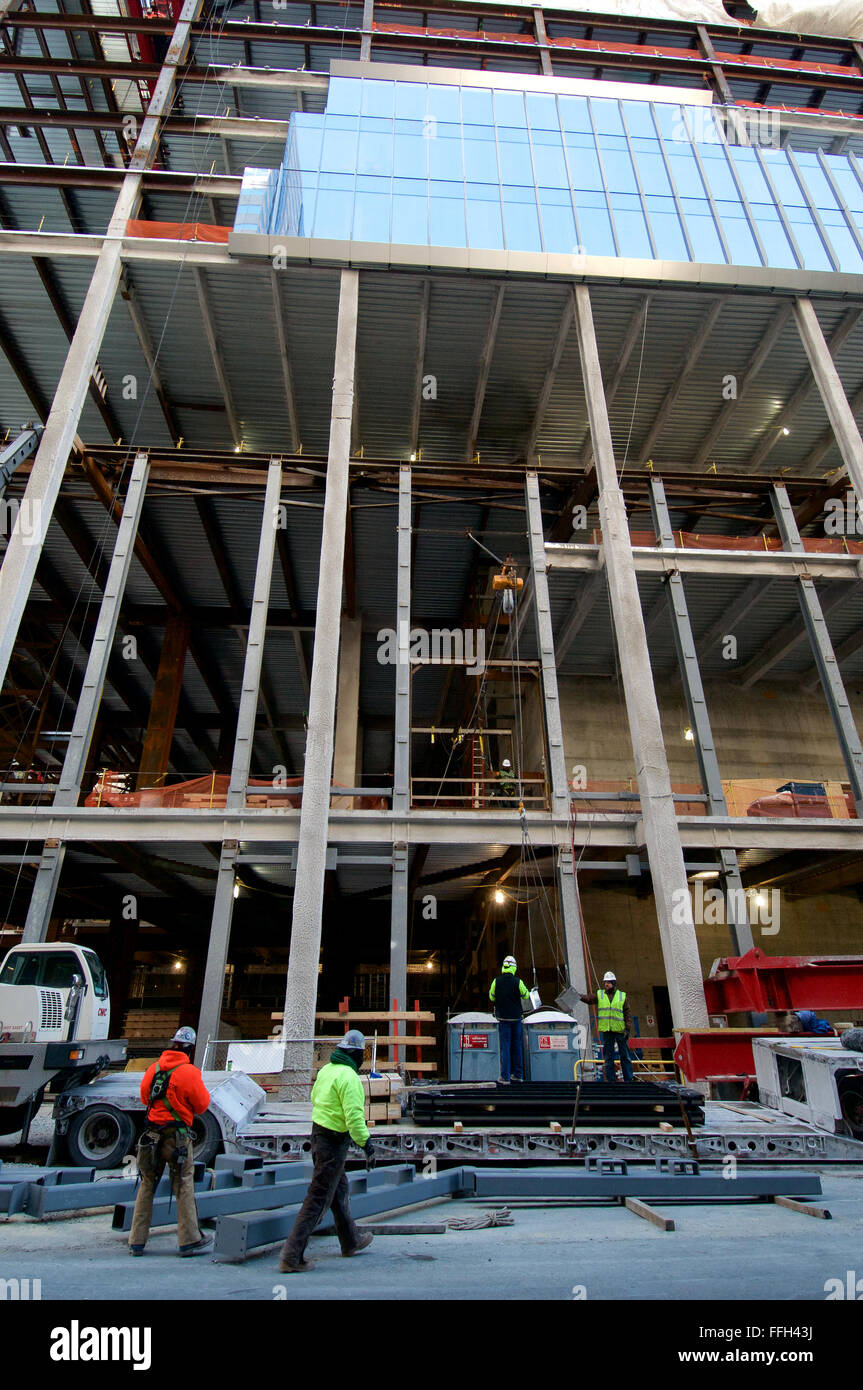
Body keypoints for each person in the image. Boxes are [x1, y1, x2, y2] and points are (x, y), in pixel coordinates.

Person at [279, 1029, 375, 1273]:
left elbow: (314, 1098)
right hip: (334, 1142)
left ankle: (350, 1240)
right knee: (318, 1198)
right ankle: (291, 1256)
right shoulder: (350, 1078)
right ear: (356, 1053)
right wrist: (366, 1144)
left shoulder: (326, 1071)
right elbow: (354, 1118)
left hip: (318, 1135)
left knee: (338, 1190)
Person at [128, 1025, 213, 1257]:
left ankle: (136, 1241)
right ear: (189, 1049)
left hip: (151, 1137)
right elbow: (202, 1105)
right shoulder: (189, 1072)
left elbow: (145, 1097)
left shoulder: (153, 1069)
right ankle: (189, 1239)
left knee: (147, 1183)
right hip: (177, 1139)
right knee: (184, 1184)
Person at [579, 971, 634, 1084]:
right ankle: (611, 1080)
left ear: (613, 983)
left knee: (625, 1056)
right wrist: (578, 995)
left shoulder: (621, 996)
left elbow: (627, 1012)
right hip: (607, 1030)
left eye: (608, 982)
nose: (606, 984)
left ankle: (628, 1079)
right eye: (605, 982)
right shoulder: (600, 995)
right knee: (609, 1057)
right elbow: (589, 999)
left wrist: (627, 1028)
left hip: (620, 1030)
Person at [489, 955, 530, 1084]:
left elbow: (491, 997)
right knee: (517, 1046)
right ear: (514, 967)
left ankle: (505, 1077)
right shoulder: (518, 982)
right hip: (516, 1018)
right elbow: (526, 995)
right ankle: (518, 1075)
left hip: (503, 1018)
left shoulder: (496, 981)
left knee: (505, 1047)